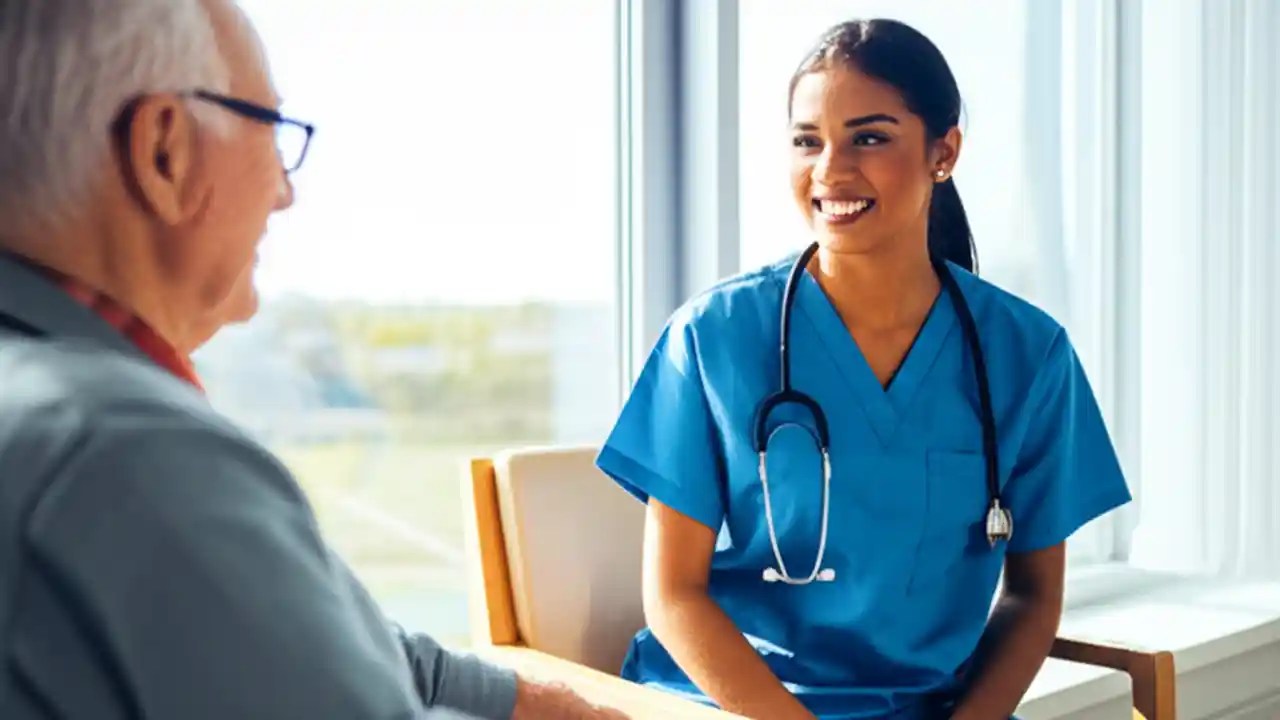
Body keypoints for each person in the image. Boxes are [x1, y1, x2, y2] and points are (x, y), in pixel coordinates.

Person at [0, 1, 627, 718]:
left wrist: (510, 698)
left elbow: (256, 639)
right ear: (164, 150)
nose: (285, 192)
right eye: (273, 130)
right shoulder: (120, 448)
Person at [595, 18, 1132, 720]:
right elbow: (673, 595)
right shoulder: (714, 338)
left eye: (869, 137)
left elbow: (1032, 594)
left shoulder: (1027, 354)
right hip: (731, 707)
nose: (830, 170)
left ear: (944, 152)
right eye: (807, 141)